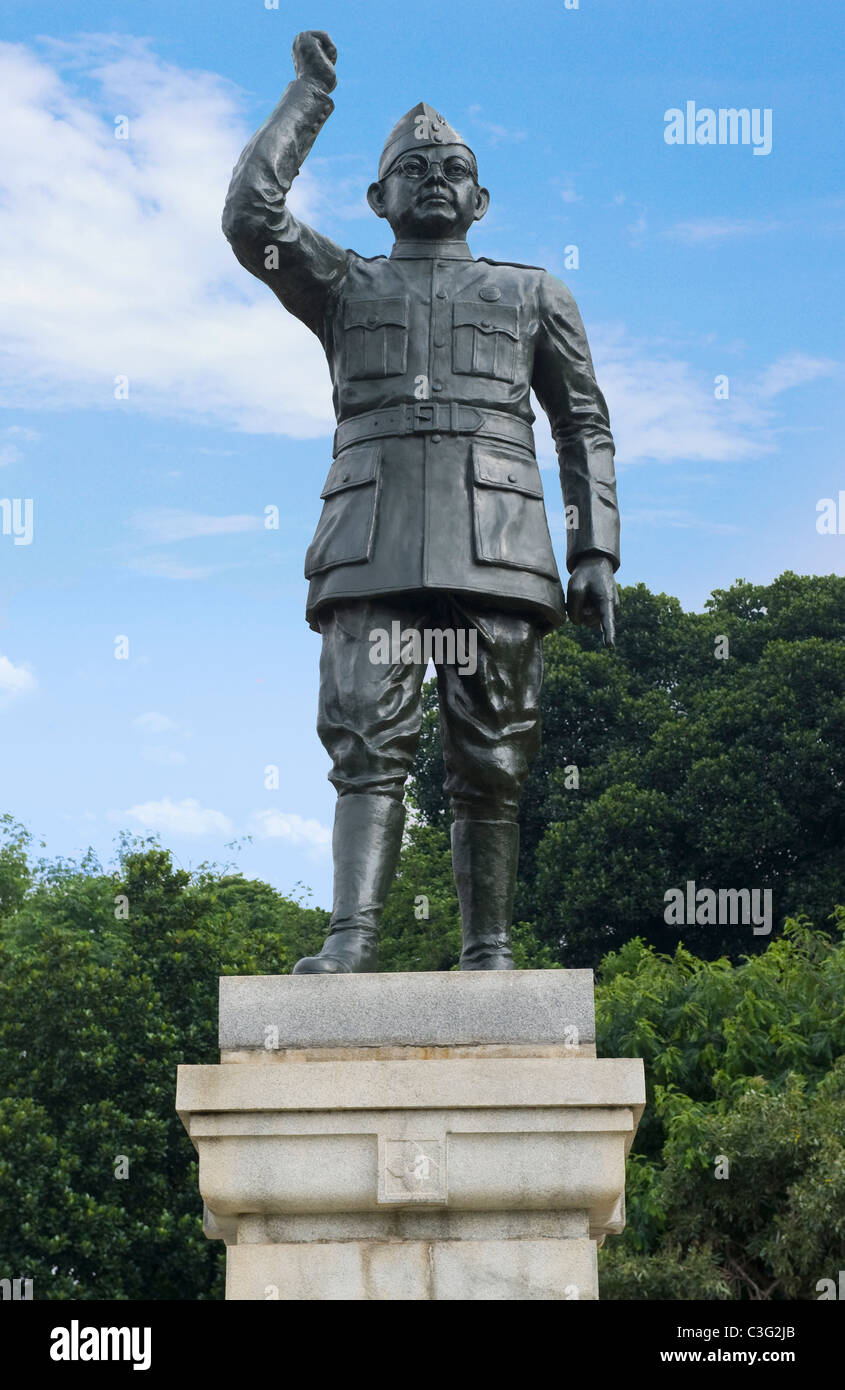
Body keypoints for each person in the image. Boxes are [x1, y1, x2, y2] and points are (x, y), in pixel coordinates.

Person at [222, 31, 620, 973]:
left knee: (494, 757)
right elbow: (250, 216)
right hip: (373, 545)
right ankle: (350, 939)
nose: (434, 179)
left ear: (480, 199)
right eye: (412, 168)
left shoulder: (533, 293)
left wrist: (593, 550)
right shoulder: (342, 283)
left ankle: (488, 948)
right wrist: (307, 100)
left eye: (453, 170)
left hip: (502, 546)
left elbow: (582, 426)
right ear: (379, 197)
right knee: (367, 745)